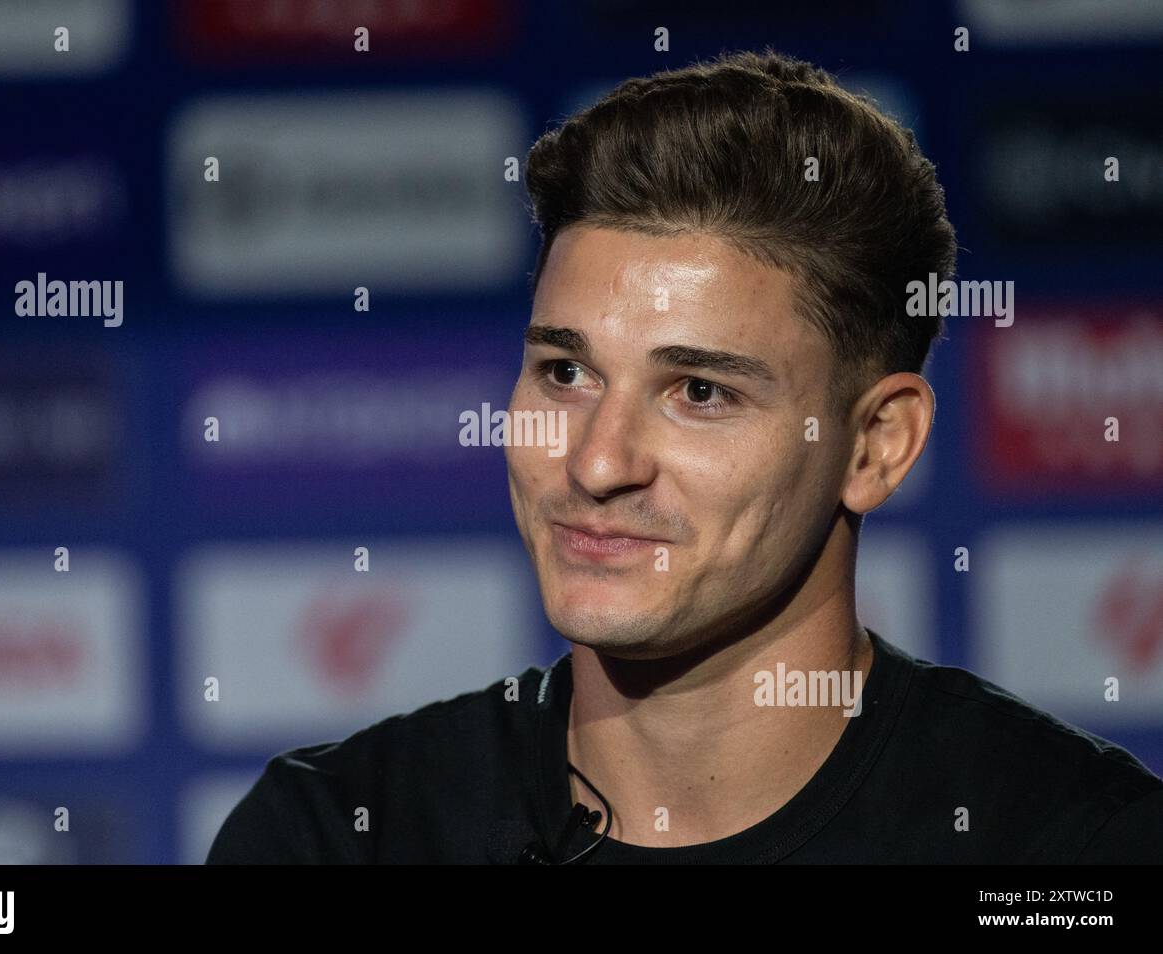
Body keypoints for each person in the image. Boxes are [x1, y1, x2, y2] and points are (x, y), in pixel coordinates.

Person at [207, 49, 1163, 864]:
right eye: (566, 371)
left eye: (699, 392)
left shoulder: (1065, 849)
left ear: (876, 446)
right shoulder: (339, 838)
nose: (594, 463)